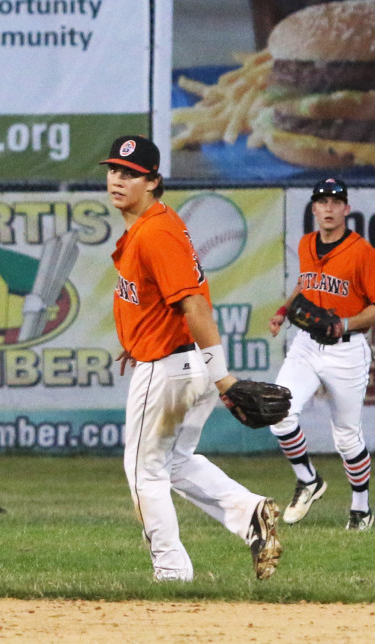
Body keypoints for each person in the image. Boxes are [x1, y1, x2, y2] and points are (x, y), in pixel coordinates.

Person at [101, 134, 282, 582]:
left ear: (153, 181)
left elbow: (194, 305)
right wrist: (138, 338)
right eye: (114, 171)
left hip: (173, 368)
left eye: (131, 174)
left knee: (144, 473)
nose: (118, 180)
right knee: (175, 463)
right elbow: (160, 301)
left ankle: (171, 572)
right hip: (180, 363)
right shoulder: (151, 225)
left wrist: (224, 380)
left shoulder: (157, 233)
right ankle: (250, 514)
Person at [268, 177, 375, 531]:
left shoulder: (361, 252)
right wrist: (284, 309)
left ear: (346, 209)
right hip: (307, 345)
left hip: (347, 351)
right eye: (322, 201)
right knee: (279, 410)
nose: (328, 208)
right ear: (314, 208)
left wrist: (346, 323)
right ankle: (308, 480)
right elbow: (305, 282)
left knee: (347, 437)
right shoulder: (307, 243)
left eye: (335, 202)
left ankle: (361, 508)